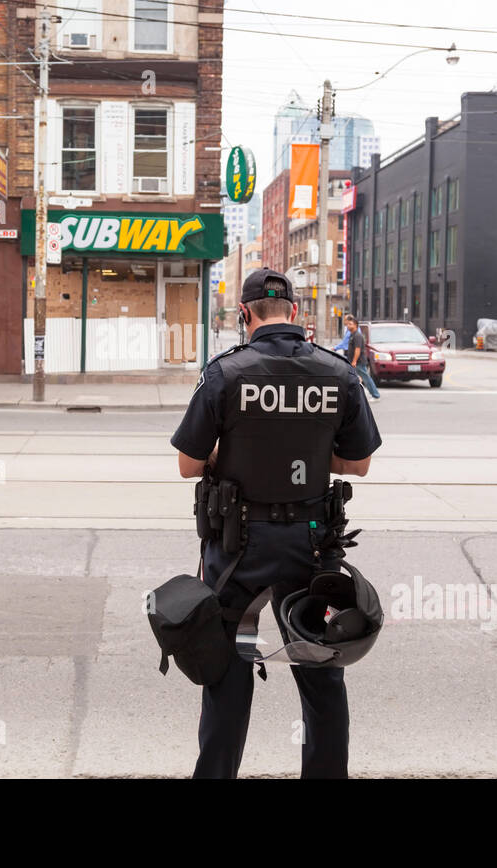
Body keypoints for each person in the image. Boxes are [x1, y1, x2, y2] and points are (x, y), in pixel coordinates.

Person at [171, 268, 382, 778]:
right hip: (311, 547)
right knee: (320, 672)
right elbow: (358, 464)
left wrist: (240, 453)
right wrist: (307, 450)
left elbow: (188, 464)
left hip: (237, 549)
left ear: (245, 314)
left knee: (227, 674)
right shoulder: (338, 374)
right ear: (296, 313)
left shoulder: (225, 373)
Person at [344, 315, 381, 400]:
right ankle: (356, 394)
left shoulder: (357, 335)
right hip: (354, 361)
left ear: (355, 325)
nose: (348, 325)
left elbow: (358, 349)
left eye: (350, 324)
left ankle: (375, 395)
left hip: (358, 362)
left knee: (366, 378)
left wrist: (354, 361)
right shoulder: (352, 335)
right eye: (348, 324)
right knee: (355, 378)